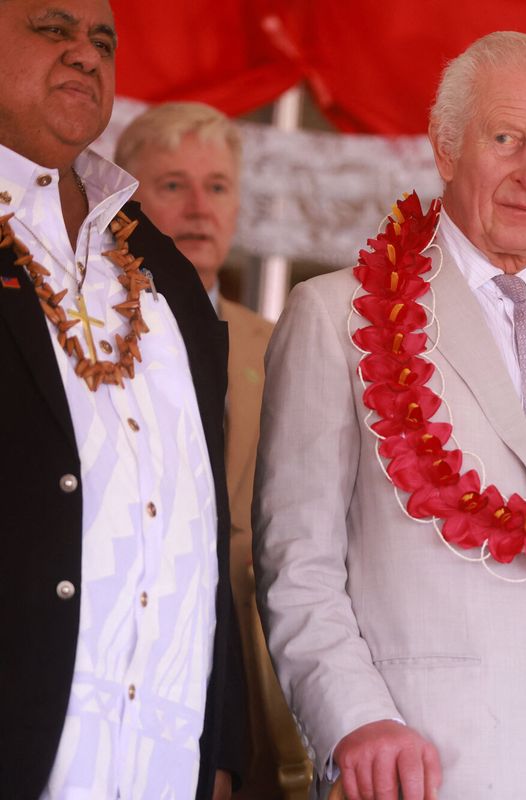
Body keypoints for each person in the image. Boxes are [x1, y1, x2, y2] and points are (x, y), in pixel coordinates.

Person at [253, 31, 526, 800]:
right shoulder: (336, 316)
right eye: (505, 138)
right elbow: (296, 565)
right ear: (445, 150)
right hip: (433, 768)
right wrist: (354, 720)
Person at [0, 1, 244, 798]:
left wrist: (224, 744)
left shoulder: (165, 273)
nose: (84, 53)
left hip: (163, 762)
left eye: (101, 40)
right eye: (52, 28)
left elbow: (205, 528)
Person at [114, 103, 293, 797]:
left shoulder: (284, 344)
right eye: (171, 185)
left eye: (216, 186)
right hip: (137, 671)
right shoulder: (87, 341)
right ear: (124, 201)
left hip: (265, 679)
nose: (198, 207)